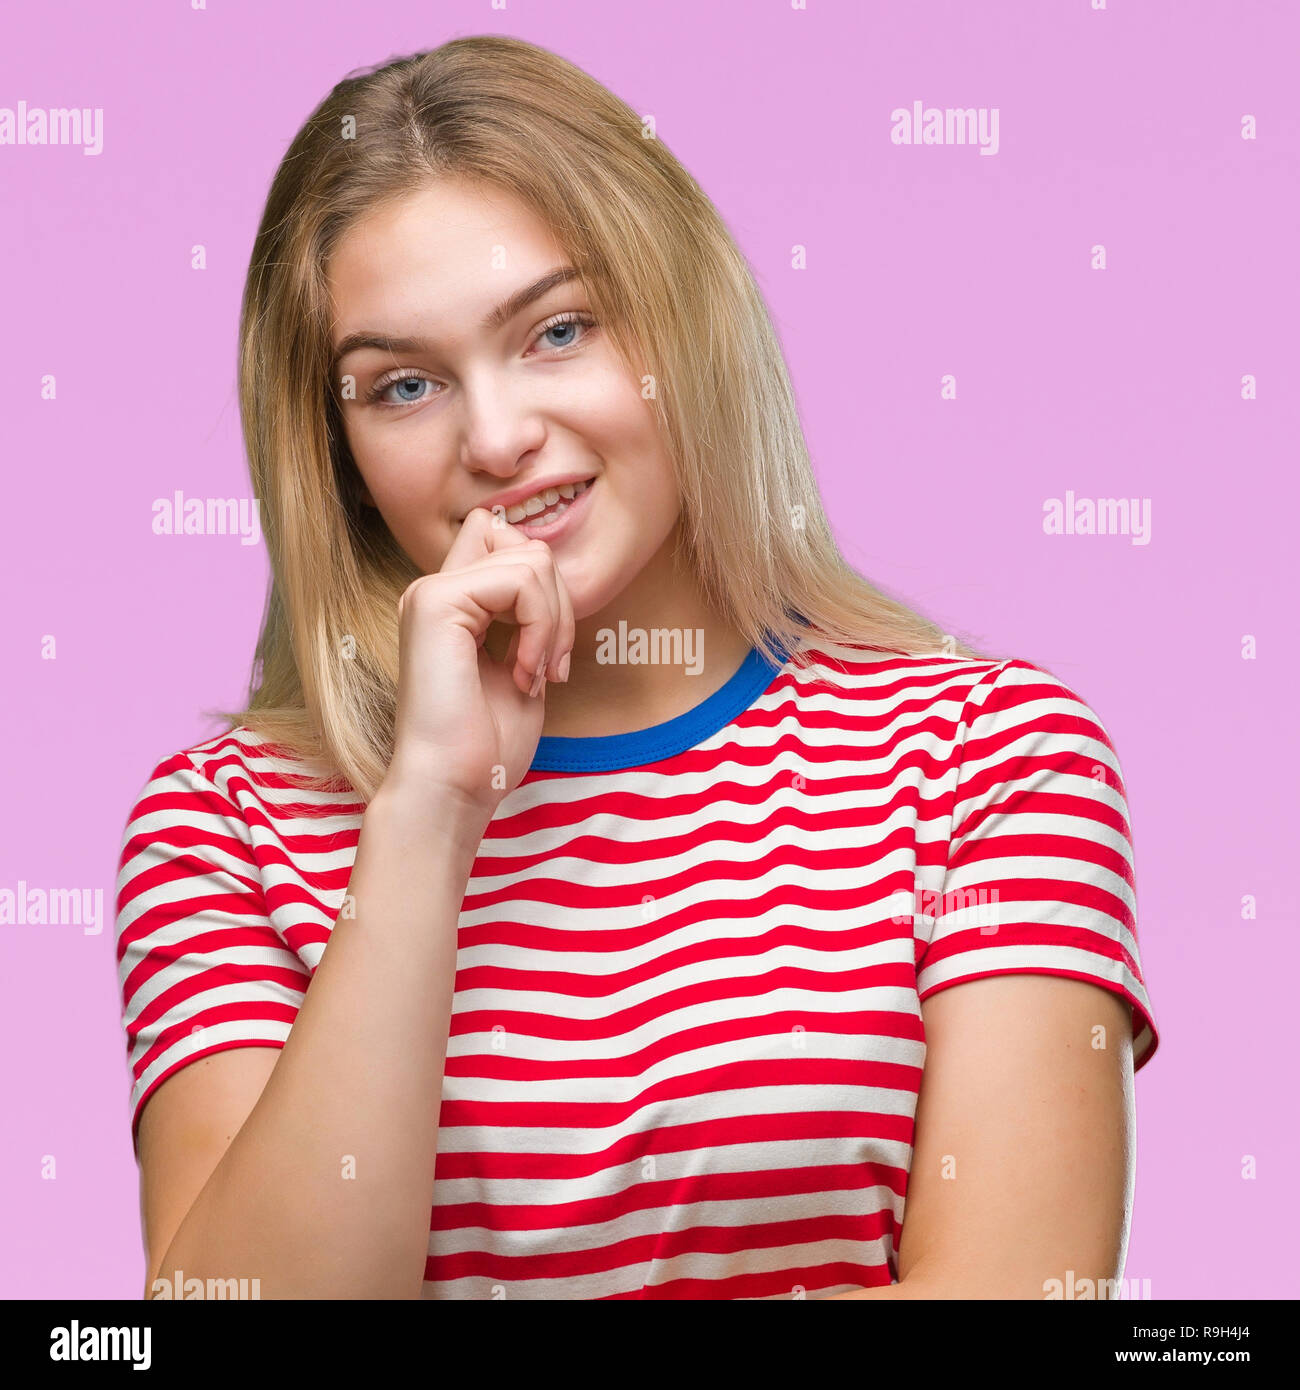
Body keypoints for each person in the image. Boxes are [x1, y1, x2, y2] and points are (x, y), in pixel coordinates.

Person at [113, 35, 1158, 1301]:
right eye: (401, 385)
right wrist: (429, 815)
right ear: (332, 448)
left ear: (681, 322)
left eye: (557, 330)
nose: (497, 438)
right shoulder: (222, 828)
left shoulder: (986, 758)